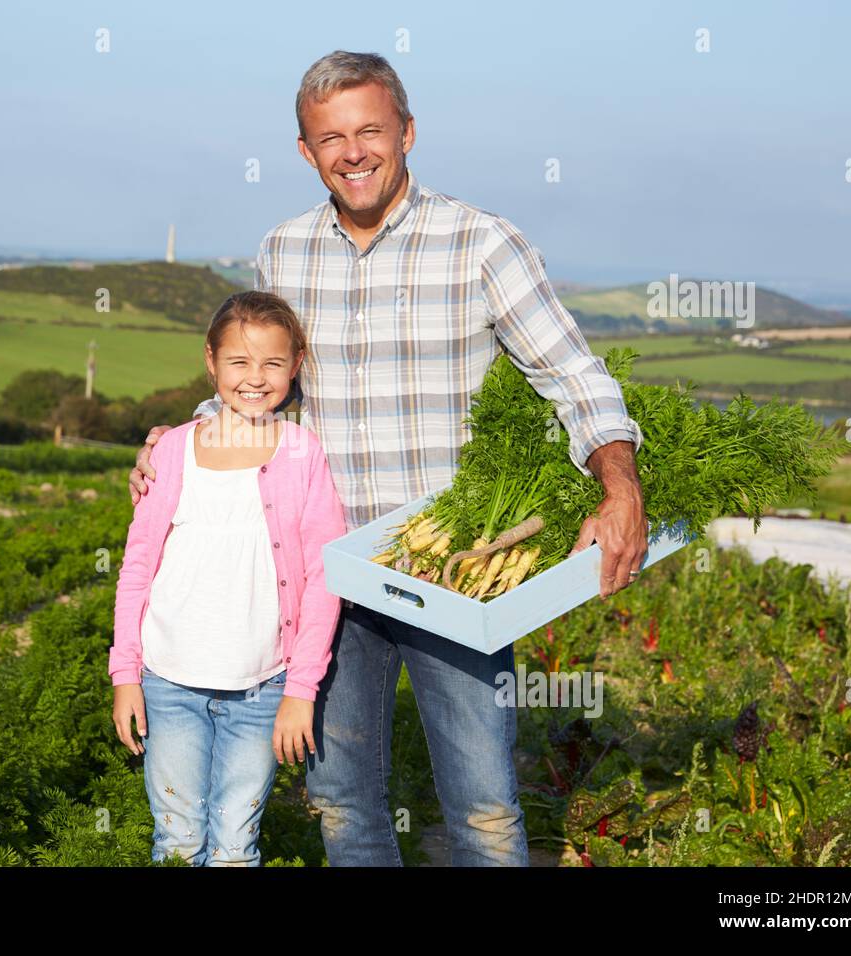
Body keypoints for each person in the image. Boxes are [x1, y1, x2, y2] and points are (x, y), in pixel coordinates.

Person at [127, 51, 650, 867]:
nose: (353, 151)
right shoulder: (285, 252)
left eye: (370, 129)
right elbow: (263, 385)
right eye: (330, 137)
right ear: (305, 151)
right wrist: (179, 445)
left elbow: (573, 375)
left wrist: (620, 485)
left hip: (456, 564)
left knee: (480, 806)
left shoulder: (482, 242)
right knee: (340, 799)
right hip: (328, 573)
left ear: (407, 132)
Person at [110, 290, 347, 866]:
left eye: (272, 363)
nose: (256, 378)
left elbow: (323, 579)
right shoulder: (169, 451)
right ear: (210, 361)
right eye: (239, 362)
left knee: (236, 844)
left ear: (296, 366)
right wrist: (126, 674)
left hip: (262, 687)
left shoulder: (301, 453)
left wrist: (300, 692)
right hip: (168, 683)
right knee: (178, 838)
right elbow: (137, 567)